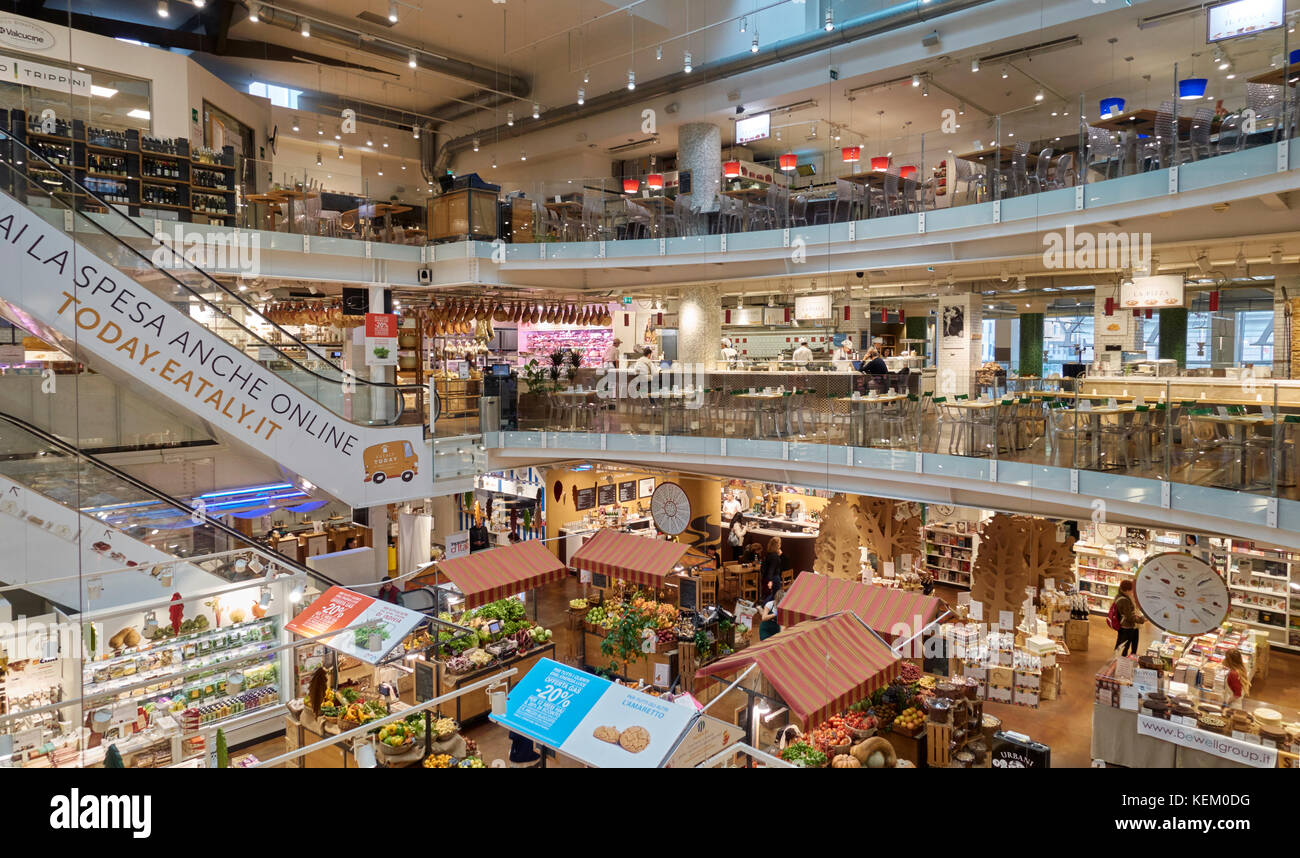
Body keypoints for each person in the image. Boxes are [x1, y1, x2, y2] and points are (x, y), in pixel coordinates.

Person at [1113, 579, 1145, 657]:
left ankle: (1117, 659)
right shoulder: (1125, 600)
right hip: (1126, 626)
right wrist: (1142, 620)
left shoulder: (1120, 596)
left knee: (1121, 644)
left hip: (1124, 625)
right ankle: (1120, 662)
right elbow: (1129, 617)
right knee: (1124, 646)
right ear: (1127, 590)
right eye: (1131, 590)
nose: (1132, 592)